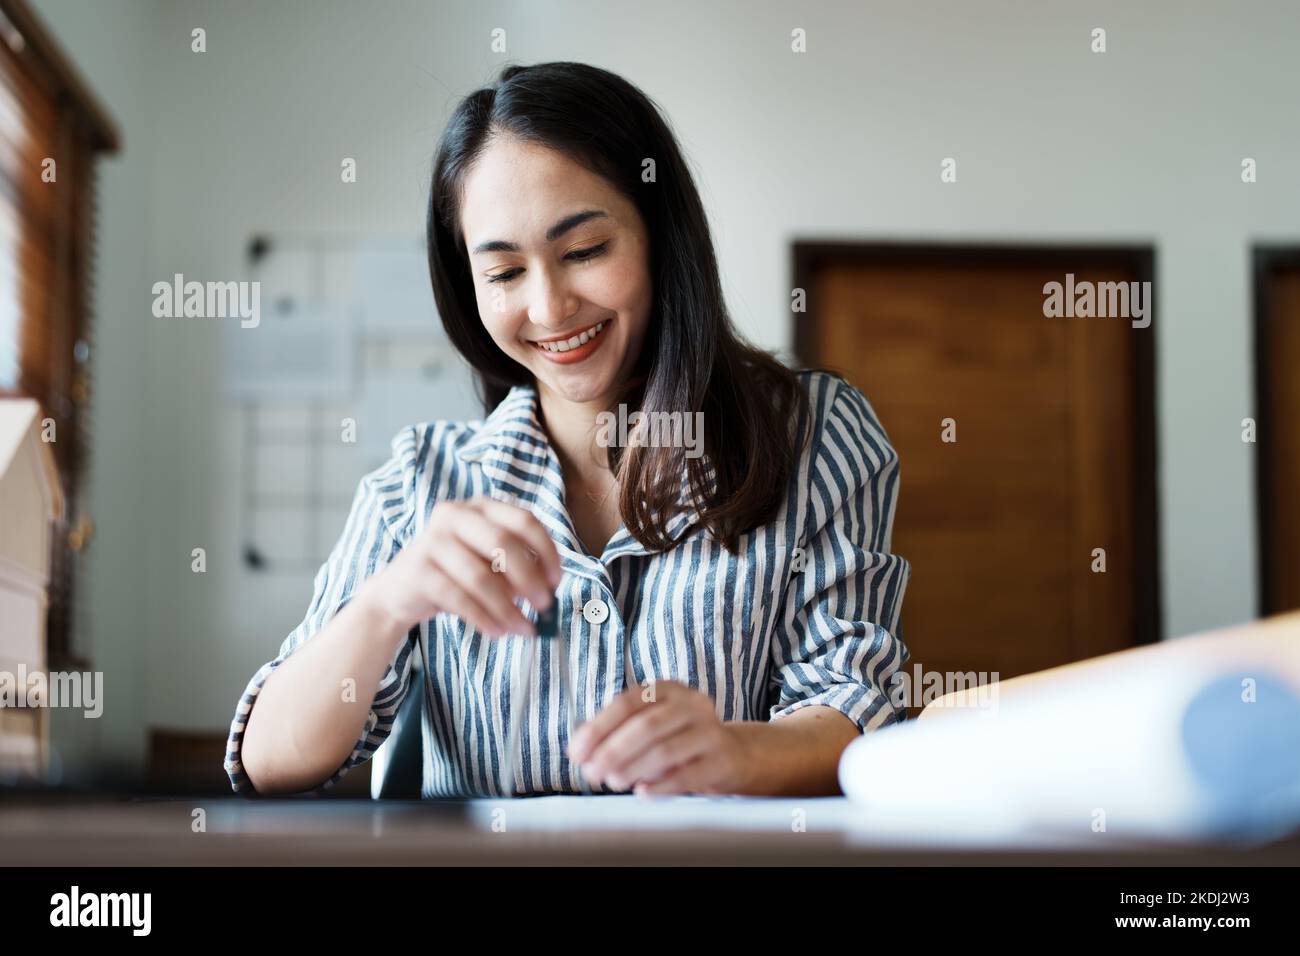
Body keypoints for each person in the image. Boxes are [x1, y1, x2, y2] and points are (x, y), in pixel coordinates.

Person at [225, 61, 911, 799]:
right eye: (504, 272)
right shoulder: (422, 480)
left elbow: (853, 707)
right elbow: (269, 763)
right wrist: (386, 603)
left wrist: (735, 752)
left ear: (659, 237)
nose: (549, 309)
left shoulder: (815, 433)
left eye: (584, 252)